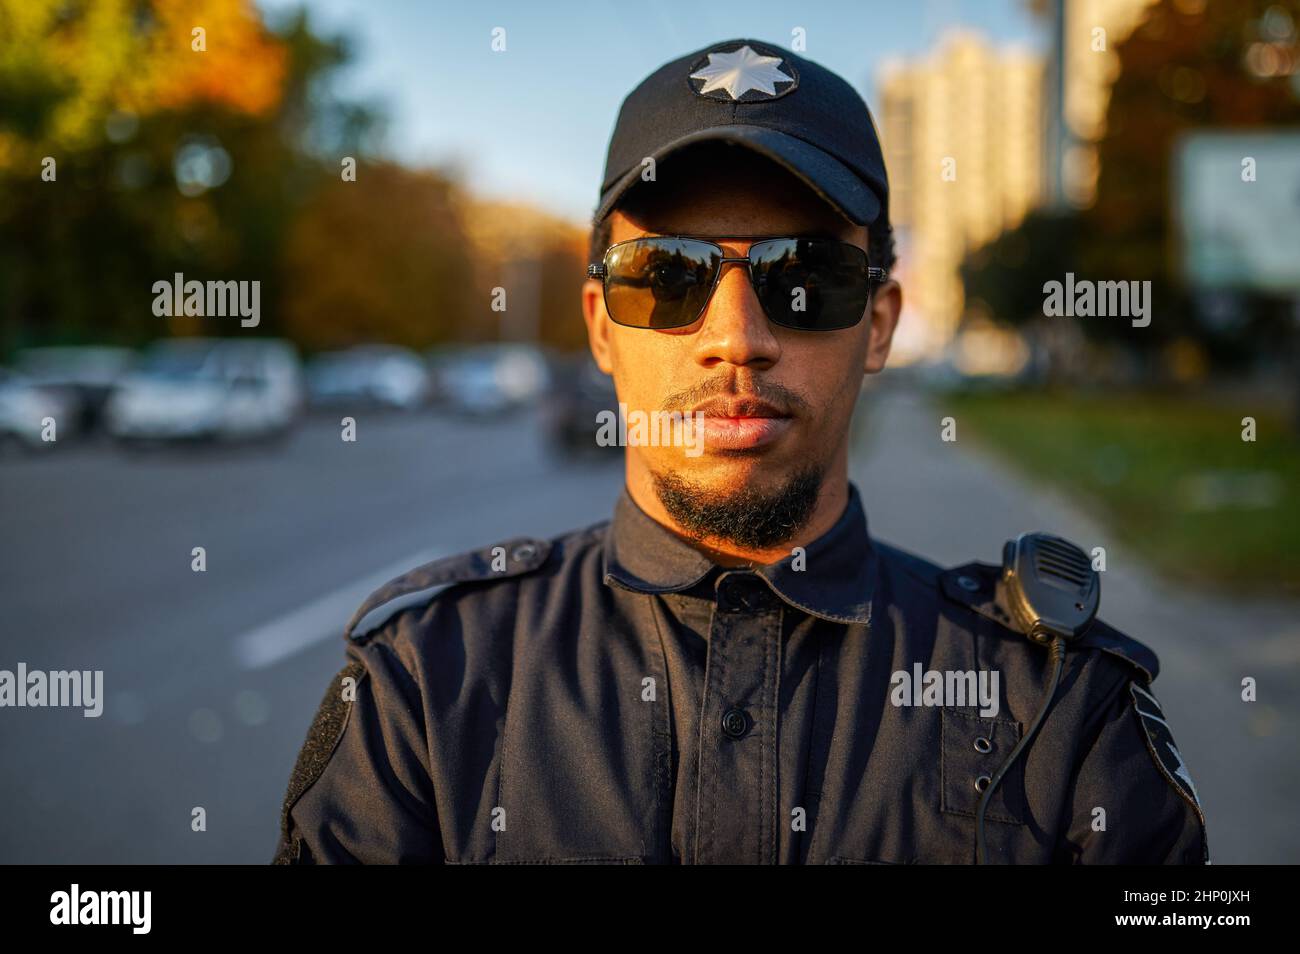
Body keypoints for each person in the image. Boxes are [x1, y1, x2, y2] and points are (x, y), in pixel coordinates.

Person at [272, 38, 1207, 865]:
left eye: (803, 280)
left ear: (879, 325)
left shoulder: (1058, 708)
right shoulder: (426, 683)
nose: (737, 336)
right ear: (601, 329)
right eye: (667, 276)